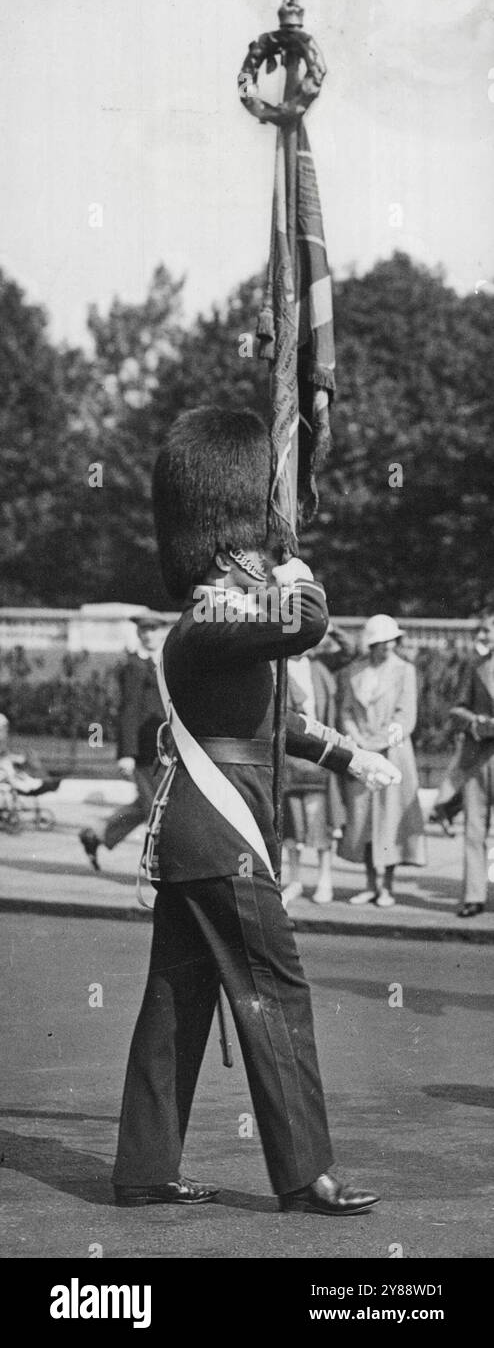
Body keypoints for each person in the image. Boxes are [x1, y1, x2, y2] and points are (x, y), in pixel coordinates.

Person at [112, 406, 401, 1218]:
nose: (259, 564)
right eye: (250, 552)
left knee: (178, 999)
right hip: (223, 830)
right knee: (277, 987)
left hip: (202, 833)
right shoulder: (209, 616)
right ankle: (307, 1174)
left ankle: (143, 1168)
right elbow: (309, 621)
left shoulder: (219, 622)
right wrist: (295, 564)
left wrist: (352, 755)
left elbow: (274, 725)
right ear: (229, 545)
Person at [338, 614, 425, 907]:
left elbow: (406, 717)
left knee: (390, 822)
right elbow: (347, 712)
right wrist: (360, 744)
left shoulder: (405, 671)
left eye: (391, 641)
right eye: (380, 642)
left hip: (394, 754)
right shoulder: (354, 671)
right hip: (362, 756)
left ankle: (387, 887)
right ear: (371, 644)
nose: (387, 647)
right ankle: (369, 884)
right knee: (362, 819)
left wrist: (378, 743)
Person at [79, 611, 170, 873]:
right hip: (142, 748)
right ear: (139, 634)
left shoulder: (163, 661)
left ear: (161, 632)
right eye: (144, 630)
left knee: (150, 803)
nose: (149, 634)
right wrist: (127, 753)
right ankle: (157, 863)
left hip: (165, 745)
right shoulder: (134, 665)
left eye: (153, 630)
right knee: (156, 805)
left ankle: (97, 834)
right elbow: (129, 710)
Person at [283, 625, 356, 906]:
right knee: (292, 823)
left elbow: (349, 650)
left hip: (321, 754)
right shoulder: (275, 666)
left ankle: (325, 879)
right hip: (290, 755)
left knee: (322, 821)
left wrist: (331, 628)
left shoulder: (320, 665)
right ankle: (295, 880)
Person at [450, 611, 494, 918]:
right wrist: (475, 722)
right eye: (483, 631)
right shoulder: (476, 667)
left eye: (489, 630)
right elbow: (456, 710)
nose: (485, 636)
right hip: (479, 756)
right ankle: (474, 896)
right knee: (474, 829)